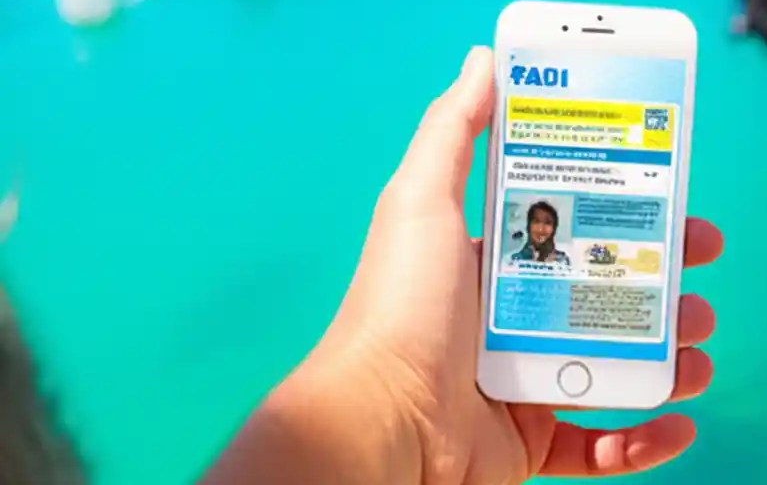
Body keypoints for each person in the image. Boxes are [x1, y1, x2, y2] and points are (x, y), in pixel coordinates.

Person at [199, 46, 722, 484]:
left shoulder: (559, 257)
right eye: (535, 224)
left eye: (547, 226)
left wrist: (397, 393)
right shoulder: (517, 260)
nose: (541, 231)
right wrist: (400, 395)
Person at [509, 201, 571, 267]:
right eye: (536, 221)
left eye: (547, 223)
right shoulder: (515, 260)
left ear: (554, 229)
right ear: (528, 226)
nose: (541, 229)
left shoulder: (562, 261)